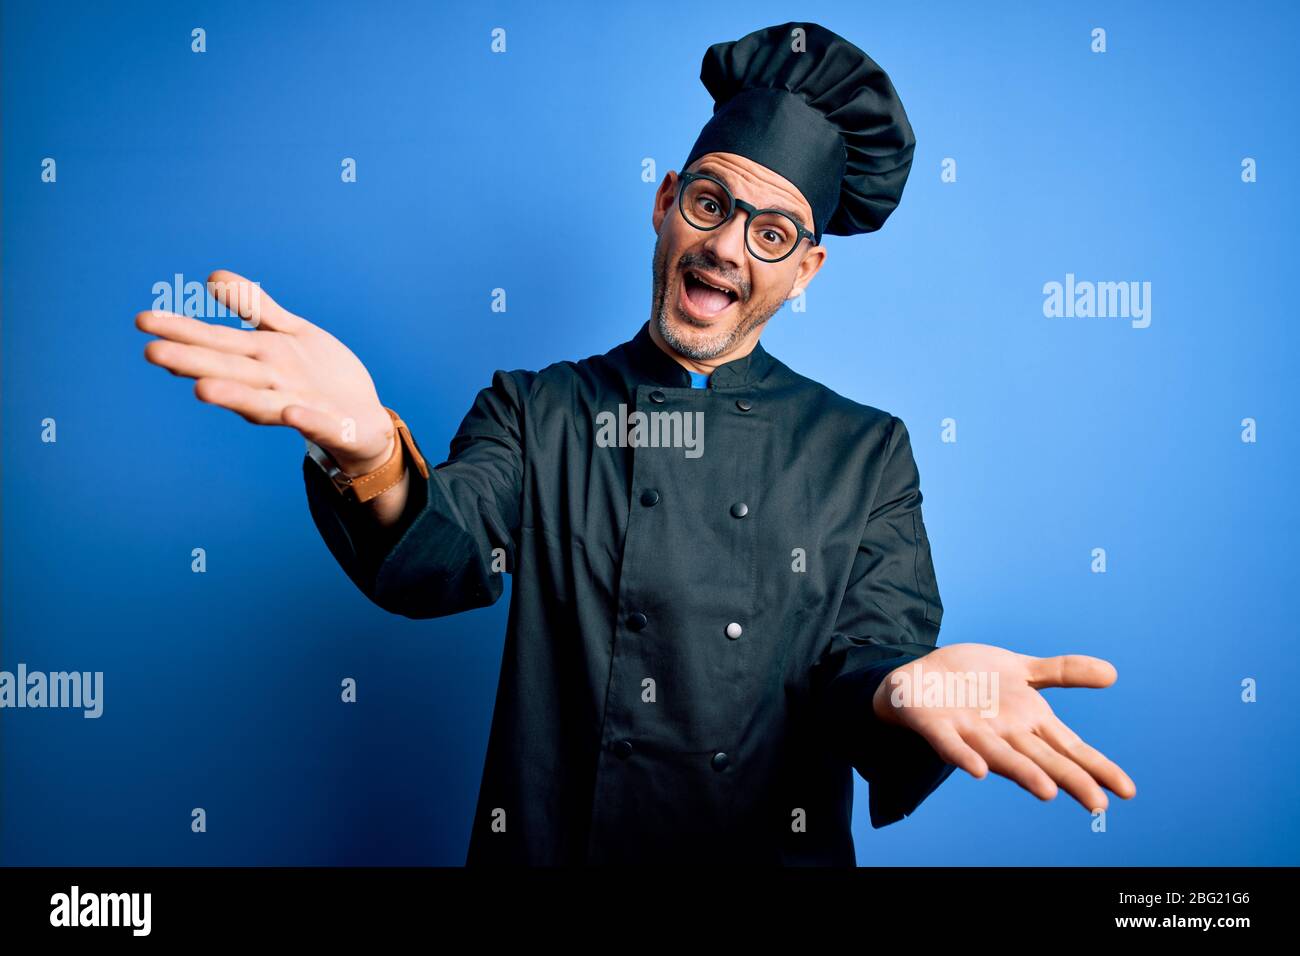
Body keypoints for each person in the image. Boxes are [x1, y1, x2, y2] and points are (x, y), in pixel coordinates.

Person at [136, 22, 1135, 866]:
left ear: (807, 270)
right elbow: (442, 554)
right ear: (665, 205)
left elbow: (858, 666)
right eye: (710, 203)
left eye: (771, 233)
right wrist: (366, 453)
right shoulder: (539, 409)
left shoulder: (865, 452)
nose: (727, 245)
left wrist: (899, 681)